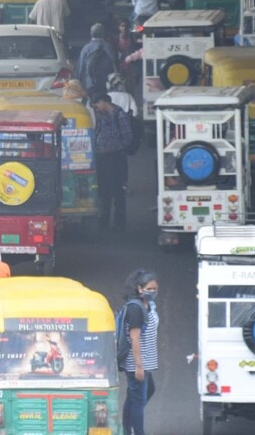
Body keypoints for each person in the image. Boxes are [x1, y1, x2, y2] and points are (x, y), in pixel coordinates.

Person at [119, 269, 161, 435]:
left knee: (143, 392)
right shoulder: (135, 309)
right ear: (139, 288)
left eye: (155, 289)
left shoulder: (148, 306)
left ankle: (127, 429)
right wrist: (138, 367)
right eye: (149, 289)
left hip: (145, 361)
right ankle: (137, 431)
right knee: (138, 400)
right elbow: (134, 338)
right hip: (136, 363)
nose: (152, 292)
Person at [91, 89, 137, 232]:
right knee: (104, 192)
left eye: (96, 104)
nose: (95, 107)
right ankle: (103, 222)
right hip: (102, 158)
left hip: (116, 158)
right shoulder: (100, 115)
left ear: (103, 102)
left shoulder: (119, 115)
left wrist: (113, 149)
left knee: (118, 192)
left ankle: (119, 224)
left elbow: (128, 137)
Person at [76, 23, 118, 94]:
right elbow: (114, 63)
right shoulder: (108, 47)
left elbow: (80, 66)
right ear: (103, 33)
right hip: (106, 82)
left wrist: (78, 79)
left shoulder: (86, 48)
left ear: (91, 34)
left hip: (90, 82)